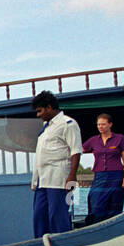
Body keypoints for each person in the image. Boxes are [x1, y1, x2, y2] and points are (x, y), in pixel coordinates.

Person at [30, 91, 82, 237]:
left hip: (58, 179)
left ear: (49, 107)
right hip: (42, 181)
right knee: (39, 217)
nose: (38, 115)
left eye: (40, 111)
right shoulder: (46, 128)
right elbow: (40, 155)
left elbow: (76, 150)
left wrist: (72, 175)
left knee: (57, 217)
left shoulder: (68, 124)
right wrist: (35, 180)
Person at [82, 113, 124, 224]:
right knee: (95, 202)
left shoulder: (119, 138)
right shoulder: (93, 140)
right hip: (100, 176)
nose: (100, 127)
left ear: (110, 124)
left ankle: (113, 227)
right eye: (98, 125)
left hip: (117, 175)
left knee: (115, 205)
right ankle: (95, 226)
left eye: (103, 124)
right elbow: (78, 150)